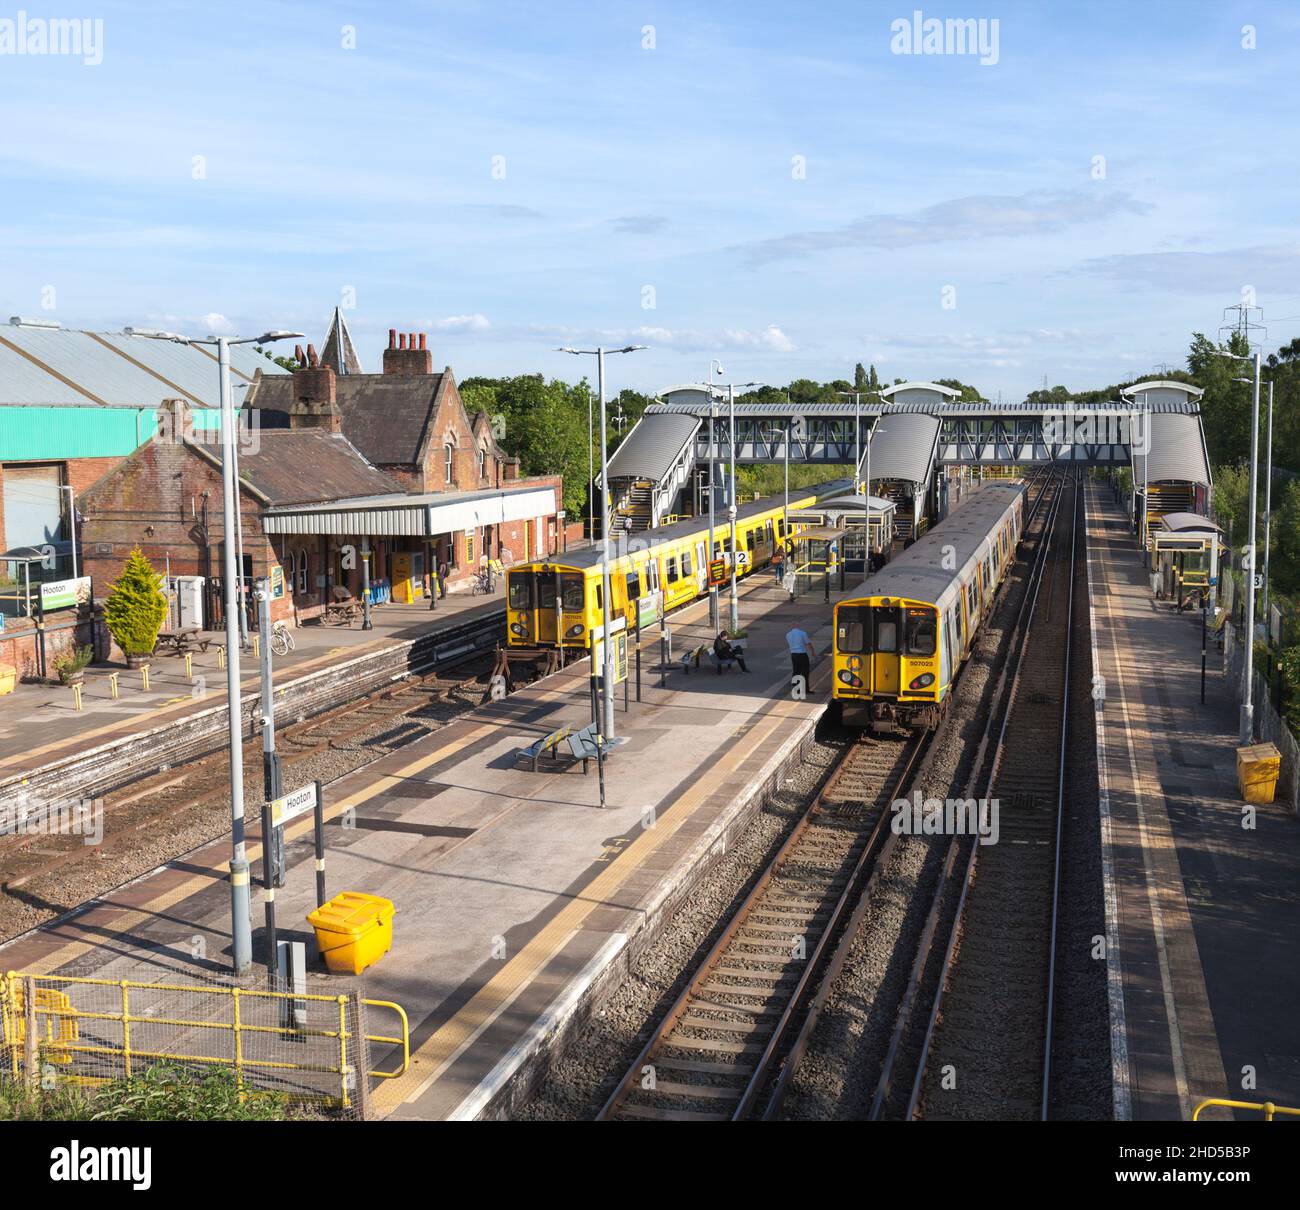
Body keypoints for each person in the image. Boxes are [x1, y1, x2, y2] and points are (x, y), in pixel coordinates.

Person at [786, 624, 815, 691]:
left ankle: (796, 688)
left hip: (793, 654)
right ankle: (805, 689)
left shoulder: (788, 634)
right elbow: (808, 643)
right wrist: (813, 652)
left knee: (796, 671)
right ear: (798, 626)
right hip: (802, 654)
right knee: (805, 672)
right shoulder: (802, 633)